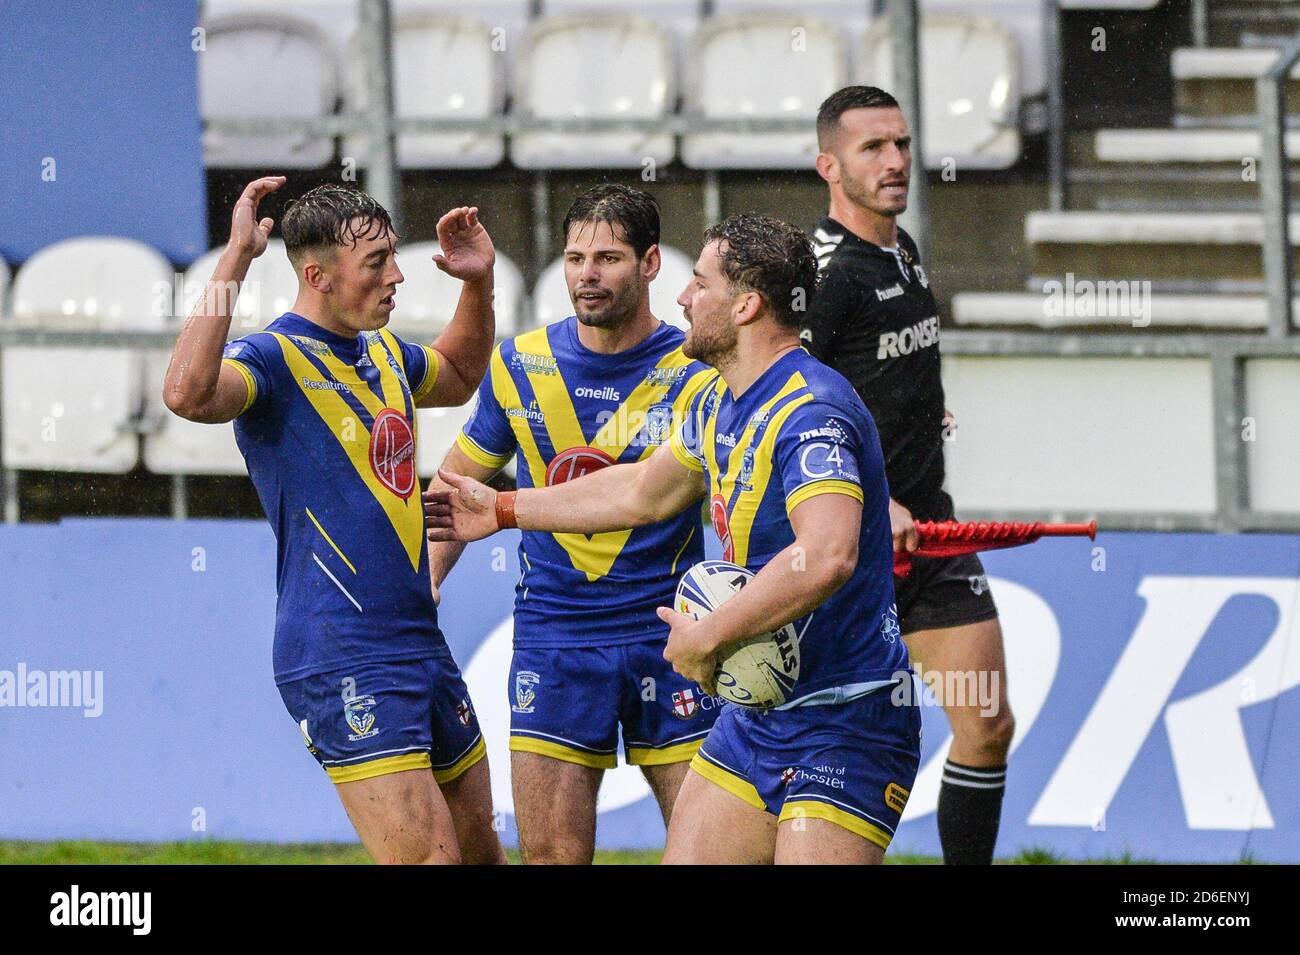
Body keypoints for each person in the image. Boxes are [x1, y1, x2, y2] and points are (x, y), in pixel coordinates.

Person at [427, 213, 920, 865]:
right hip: (756, 716)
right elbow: (640, 491)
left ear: (744, 305)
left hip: (846, 718)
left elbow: (825, 555)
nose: (684, 298)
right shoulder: (717, 400)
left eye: (700, 282)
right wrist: (505, 507)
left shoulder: (810, 410)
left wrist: (710, 634)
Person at [163, 178, 505, 865]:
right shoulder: (273, 359)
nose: (398, 274)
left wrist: (478, 283)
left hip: (419, 640)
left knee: (480, 854)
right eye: (377, 261)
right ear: (316, 275)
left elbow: (462, 373)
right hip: (341, 654)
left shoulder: (383, 354)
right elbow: (186, 393)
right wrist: (235, 257)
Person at [426, 184, 718, 864]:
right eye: (575, 256)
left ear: (650, 264)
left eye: (609, 257)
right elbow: (454, 490)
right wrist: (426, 586)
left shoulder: (696, 371)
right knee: (553, 857)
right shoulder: (521, 365)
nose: (587, 274)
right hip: (554, 639)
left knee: (713, 852)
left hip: (673, 637)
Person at [802, 85, 1014, 865]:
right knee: (822, 750)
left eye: (902, 144)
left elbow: (879, 373)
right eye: (872, 148)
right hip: (845, 548)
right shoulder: (827, 275)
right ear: (830, 164)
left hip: (935, 533)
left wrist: (926, 413)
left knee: (986, 723)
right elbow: (788, 403)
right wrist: (876, 495)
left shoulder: (902, 248)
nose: (896, 162)